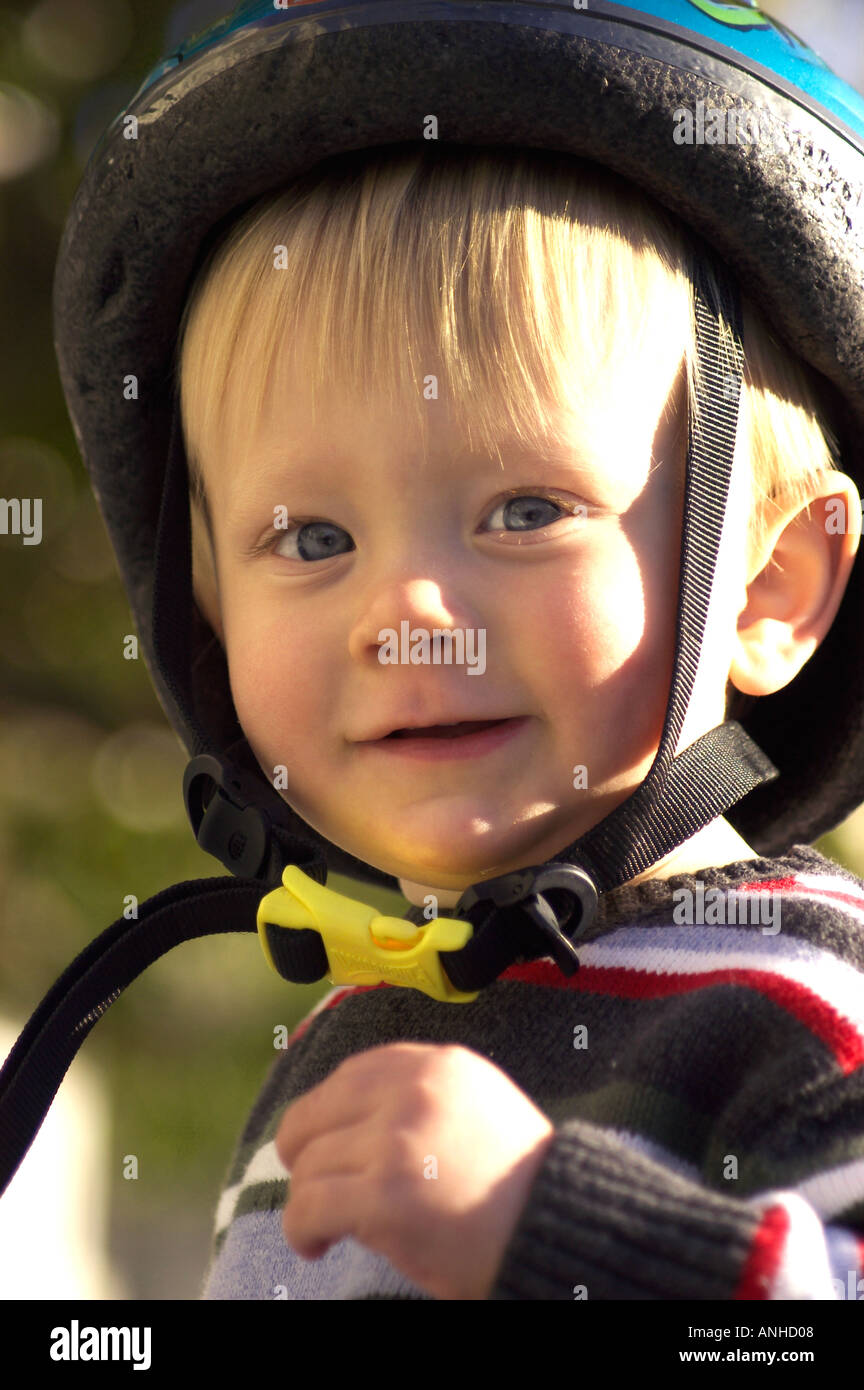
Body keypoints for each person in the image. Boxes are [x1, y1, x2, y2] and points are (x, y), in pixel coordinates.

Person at [38, 0, 864, 1300]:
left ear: (773, 580)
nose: (408, 614)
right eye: (310, 537)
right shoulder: (336, 1047)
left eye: (525, 512)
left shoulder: (812, 1004)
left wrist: (559, 1233)